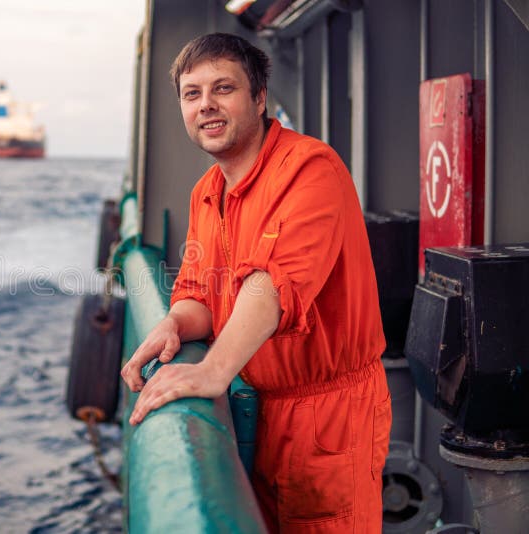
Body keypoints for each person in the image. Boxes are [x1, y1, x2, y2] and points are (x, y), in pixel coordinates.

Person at [121, 33, 392, 534]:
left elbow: (272, 284)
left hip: (328, 416)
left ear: (259, 96)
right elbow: (201, 291)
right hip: (261, 413)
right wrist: (174, 323)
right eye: (191, 93)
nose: (206, 105)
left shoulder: (311, 169)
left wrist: (213, 370)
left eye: (223, 88)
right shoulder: (208, 190)